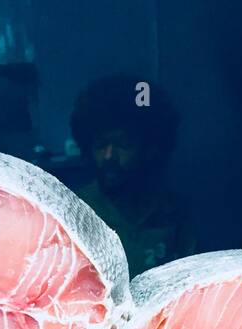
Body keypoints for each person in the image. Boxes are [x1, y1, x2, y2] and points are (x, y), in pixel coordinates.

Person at [69, 75, 195, 270]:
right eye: (101, 145)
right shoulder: (74, 211)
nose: (109, 156)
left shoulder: (172, 213)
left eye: (123, 145)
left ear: (150, 149)